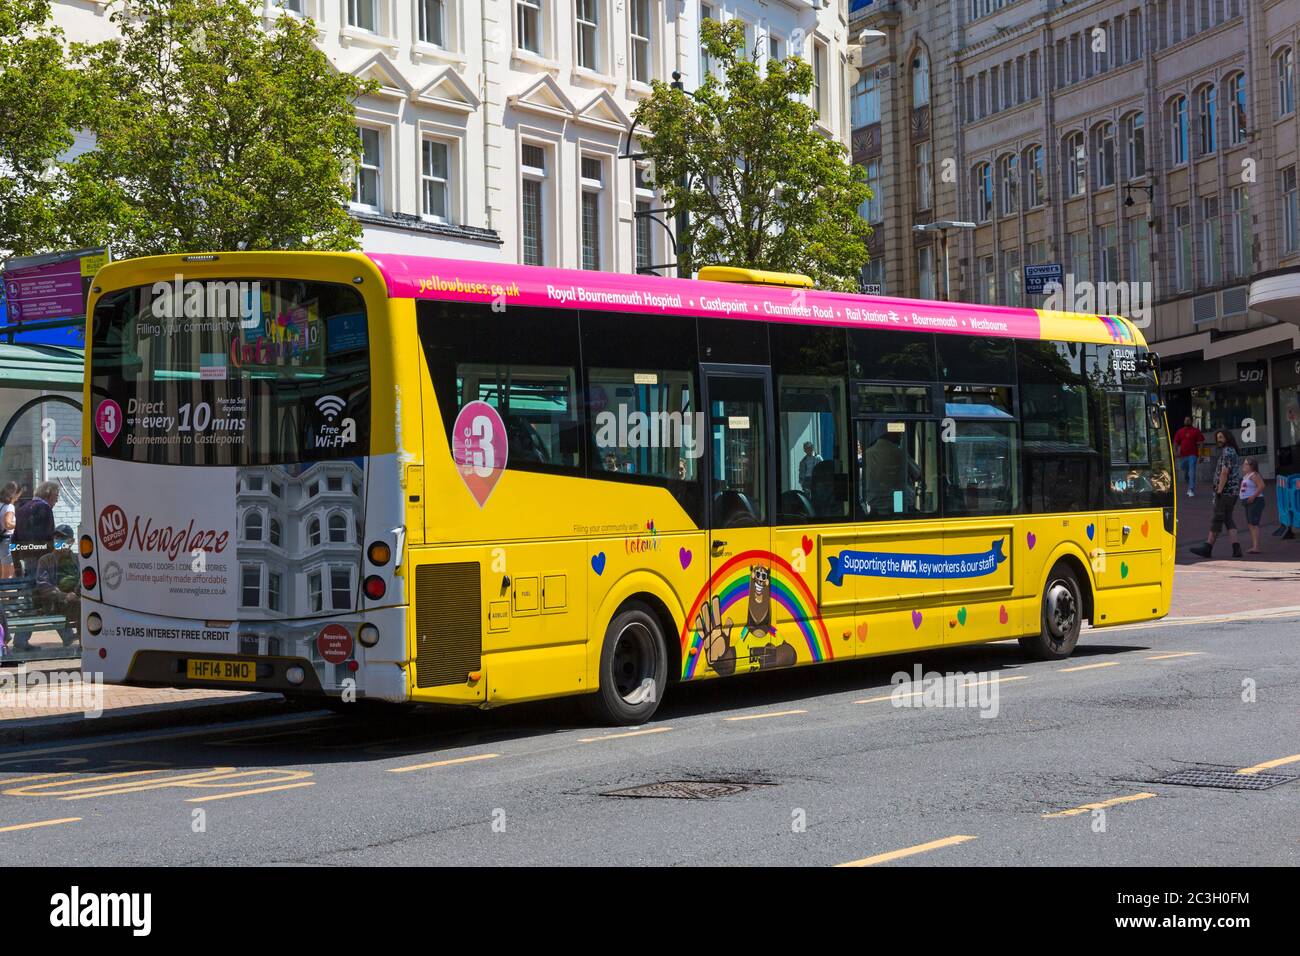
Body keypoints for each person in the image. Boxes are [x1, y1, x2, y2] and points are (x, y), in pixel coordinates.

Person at [1190, 430, 1242, 558]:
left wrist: (1219, 490)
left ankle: (1208, 547)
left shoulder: (1227, 452)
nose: (1219, 440)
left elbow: (1224, 472)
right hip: (1233, 492)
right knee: (1228, 519)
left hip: (1225, 492)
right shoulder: (1232, 451)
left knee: (1217, 519)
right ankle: (1236, 548)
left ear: (1227, 438)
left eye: (1221, 437)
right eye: (1217, 437)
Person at [861, 430, 922, 515]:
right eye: (898, 434)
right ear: (889, 435)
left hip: (875, 504)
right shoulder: (899, 452)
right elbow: (917, 474)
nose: (900, 437)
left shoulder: (867, 453)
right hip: (897, 500)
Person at [1239, 457, 1266, 554]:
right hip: (1248, 501)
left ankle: (1256, 547)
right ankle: (1254, 545)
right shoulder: (1246, 475)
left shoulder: (1254, 475)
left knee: (1254, 524)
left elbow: (1262, 485)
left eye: (1246, 464)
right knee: (1250, 524)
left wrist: (1253, 496)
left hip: (1255, 501)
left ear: (1252, 466)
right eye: (1244, 463)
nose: (1244, 465)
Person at [1172, 416, 1204, 497]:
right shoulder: (1180, 431)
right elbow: (1175, 443)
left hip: (1193, 455)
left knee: (1192, 471)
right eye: (1186, 420)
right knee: (1184, 470)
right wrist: (1175, 452)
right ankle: (1188, 479)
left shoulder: (1196, 431)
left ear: (1191, 421)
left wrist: (1201, 455)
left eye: (1188, 420)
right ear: (1184, 422)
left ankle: (1191, 489)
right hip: (1183, 456)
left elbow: (1201, 443)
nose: (1187, 421)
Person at [0, 482, 20, 578]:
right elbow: (8, 524)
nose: (18, 498)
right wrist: (19, 525)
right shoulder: (9, 507)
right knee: (8, 575)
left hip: (1, 540)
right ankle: (8, 592)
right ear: (14, 494)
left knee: (2, 572)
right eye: (18, 495)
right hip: (7, 541)